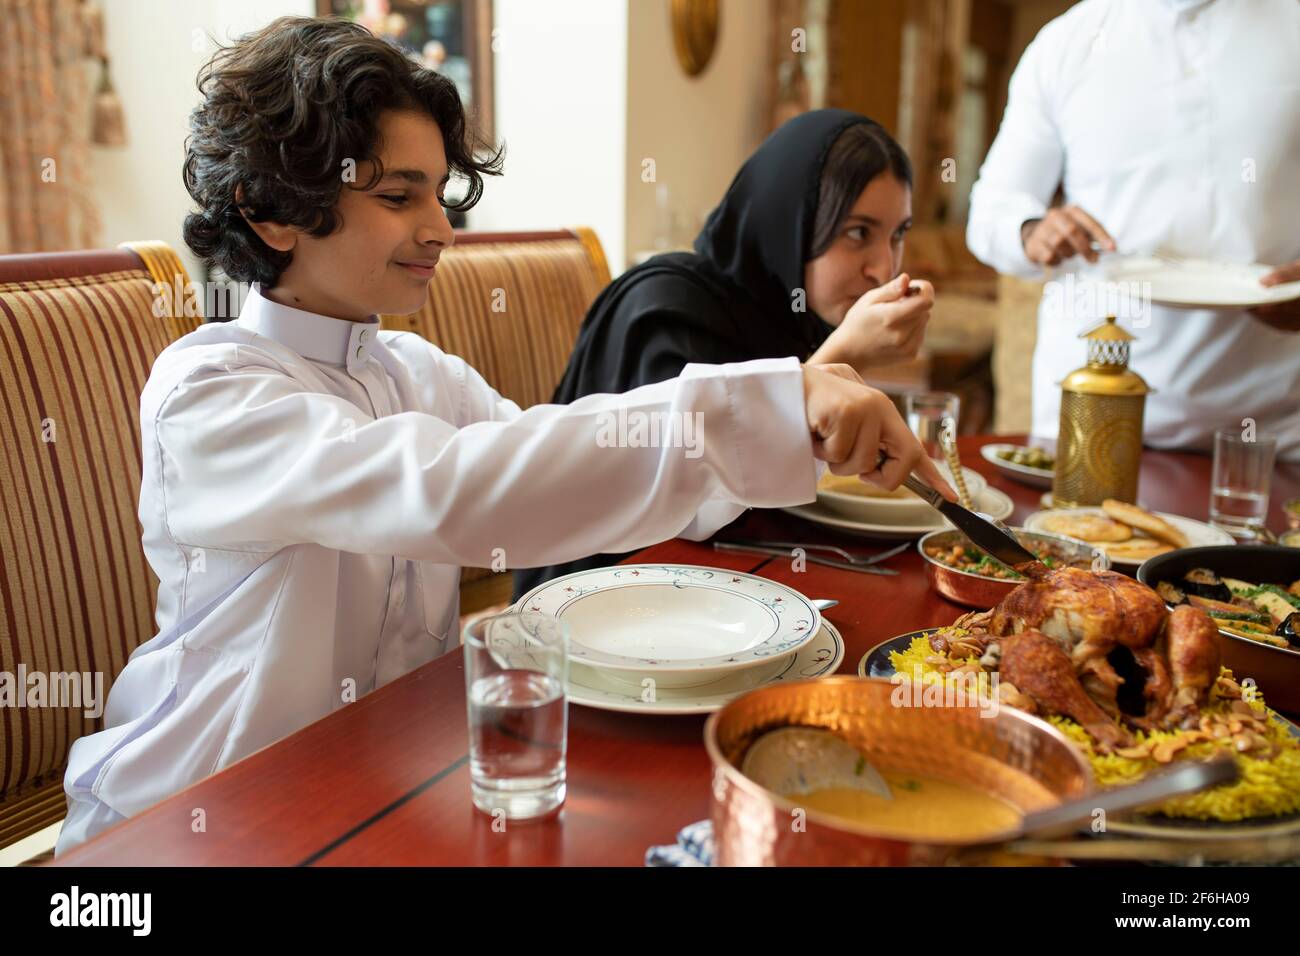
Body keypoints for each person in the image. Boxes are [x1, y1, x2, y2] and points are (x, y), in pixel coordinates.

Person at [56, 17, 952, 854]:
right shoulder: (210, 390)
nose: (441, 229)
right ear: (271, 208)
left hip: (390, 777)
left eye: (440, 194)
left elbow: (548, 470)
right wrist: (769, 404)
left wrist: (786, 419)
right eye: (399, 195)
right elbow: (454, 490)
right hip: (211, 811)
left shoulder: (416, 371)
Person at [514, 109, 933, 600]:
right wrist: (841, 358)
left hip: (726, 594)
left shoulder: (794, 316)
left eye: (898, 234)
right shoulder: (664, 307)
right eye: (858, 232)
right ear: (788, 220)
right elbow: (690, 504)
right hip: (591, 604)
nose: (883, 267)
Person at [967, 0, 1300, 460]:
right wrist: (1031, 230)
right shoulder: (1067, 42)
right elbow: (991, 210)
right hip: (1092, 403)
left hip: (1272, 418)